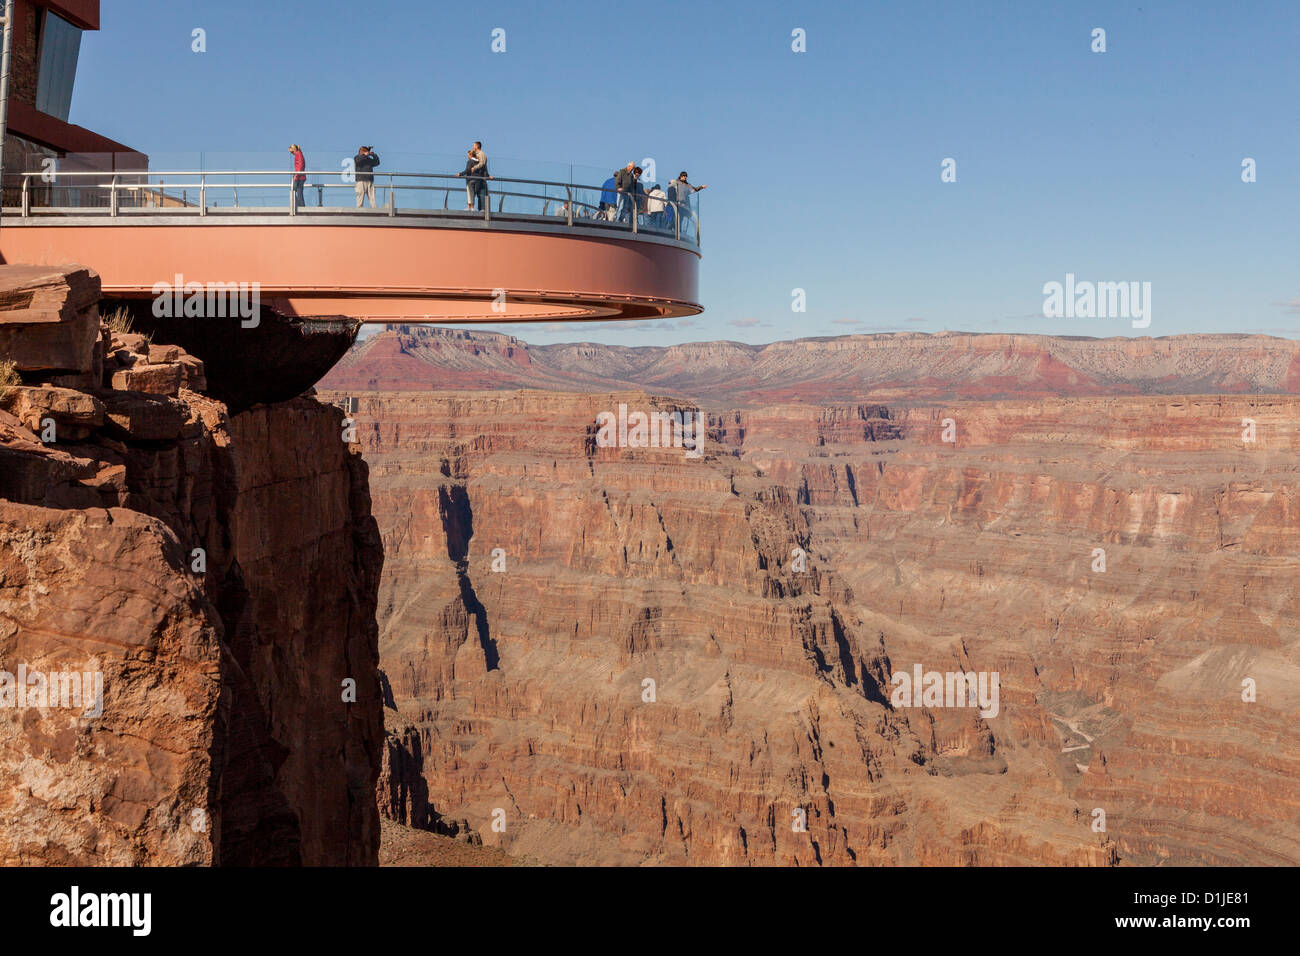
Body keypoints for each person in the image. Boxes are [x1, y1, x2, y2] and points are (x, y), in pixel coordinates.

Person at [467, 141, 491, 212]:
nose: (473, 147)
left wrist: (475, 167)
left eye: (474, 146)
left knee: (481, 193)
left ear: (477, 146)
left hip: (481, 177)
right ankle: (479, 209)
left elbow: (482, 164)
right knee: (478, 193)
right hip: (479, 177)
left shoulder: (481, 154)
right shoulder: (477, 154)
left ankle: (482, 209)